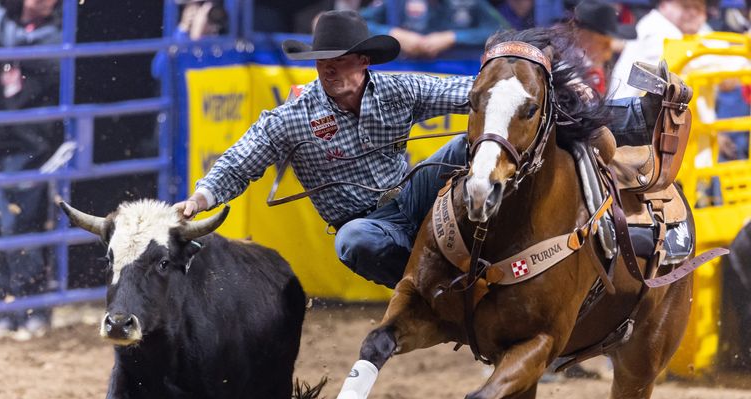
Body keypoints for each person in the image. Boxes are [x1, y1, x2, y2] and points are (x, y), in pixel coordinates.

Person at [176, 10, 673, 289]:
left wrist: (545, 94)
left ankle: (634, 127)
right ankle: (435, 290)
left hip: (416, 194)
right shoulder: (290, 119)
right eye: (323, 61)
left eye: (341, 60)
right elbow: (242, 158)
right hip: (368, 221)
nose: (330, 69)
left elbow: (480, 98)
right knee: (353, 241)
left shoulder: (395, 91)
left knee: (482, 141)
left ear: (363, 62)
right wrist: (200, 198)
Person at [0, 0, 62, 334]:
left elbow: (13, 41)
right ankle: (3, 309)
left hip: (28, 148)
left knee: (19, 226)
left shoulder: (51, 36)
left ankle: (32, 308)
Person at [609, 0, 711, 98]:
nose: (693, 13)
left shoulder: (692, 29)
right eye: (686, 6)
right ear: (664, 4)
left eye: (699, 8)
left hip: (658, 111)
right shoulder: (655, 27)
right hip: (630, 112)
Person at [360, 0, 511, 58]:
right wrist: (393, 34)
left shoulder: (471, 3)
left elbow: (501, 30)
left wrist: (453, 37)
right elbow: (358, 22)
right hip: (404, 71)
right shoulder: (394, 2)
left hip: (457, 72)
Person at [571, 0, 636, 96]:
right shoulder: (567, 65)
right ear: (585, 36)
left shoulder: (599, 62)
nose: (608, 54)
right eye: (605, 44)